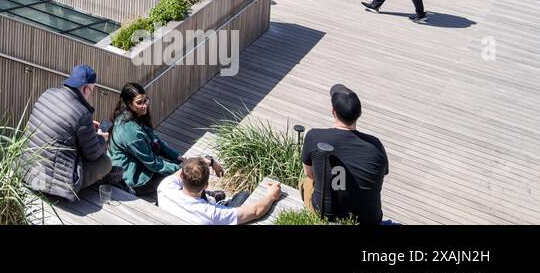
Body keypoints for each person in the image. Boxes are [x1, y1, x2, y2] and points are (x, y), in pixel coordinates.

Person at [22, 65, 115, 201]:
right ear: (85, 88)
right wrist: (101, 138)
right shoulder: (82, 113)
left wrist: (88, 128)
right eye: (91, 90)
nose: (90, 95)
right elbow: (93, 154)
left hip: (26, 170)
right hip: (54, 187)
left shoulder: (48, 93)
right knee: (106, 162)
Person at [300, 84, 388, 225]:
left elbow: (309, 174)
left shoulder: (314, 136)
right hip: (369, 220)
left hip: (326, 214)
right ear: (359, 114)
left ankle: (313, 219)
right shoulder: (376, 145)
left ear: (333, 112)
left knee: (306, 181)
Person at [107, 82, 183, 202]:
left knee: (177, 167)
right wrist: (181, 169)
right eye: (139, 103)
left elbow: (156, 141)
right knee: (178, 176)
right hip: (133, 180)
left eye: (145, 100)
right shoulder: (130, 131)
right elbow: (152, 163)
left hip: (140, 165)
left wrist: (178, 157)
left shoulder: (136, 115)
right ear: (129, 104)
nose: (144, 106)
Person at [158, 157, 282, 225]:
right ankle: (218, 201)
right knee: (243, 196)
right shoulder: (212, 214)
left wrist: (208, 162)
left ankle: (213, 197)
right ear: (206, 185)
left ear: (181, 177)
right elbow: (255, 211)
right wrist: (271, 195)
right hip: (213, 214)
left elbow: (184, 169)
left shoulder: (165, 188)